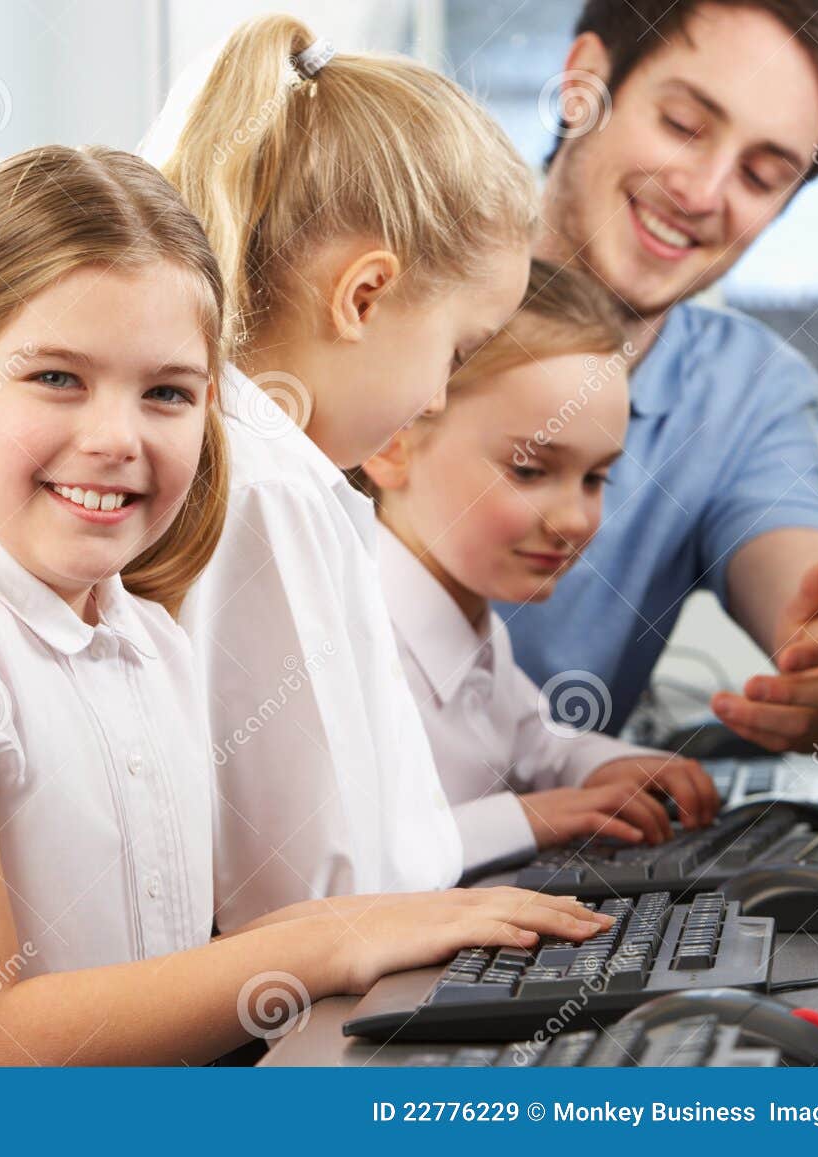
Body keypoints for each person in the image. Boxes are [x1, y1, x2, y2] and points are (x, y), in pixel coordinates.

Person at [0, 145, 610, 1067]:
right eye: (57, 379)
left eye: (167, 393)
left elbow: (148, 987)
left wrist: (379, 927)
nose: (117, 438)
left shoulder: (142, 635)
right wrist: (321, 940)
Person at [154, 15, 535, 928]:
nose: (442, 396)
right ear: (363, 295)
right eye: (459, 349)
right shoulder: (268, 486)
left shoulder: (262, 461)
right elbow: (307, 890)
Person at [505, 0, 818, 765]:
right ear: (585, 80)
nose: (702, 193)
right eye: (684, 127)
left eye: (762, 176)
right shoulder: (390, 300)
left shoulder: (736, 391)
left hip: (533, 870)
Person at [360, 260, 712, 872]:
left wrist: (598, 765)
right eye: (529, 470)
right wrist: (532, 817)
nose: (575, 519)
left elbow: (534, 739)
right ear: (393, 441)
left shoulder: (467, 620)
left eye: (596, 477)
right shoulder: (350, 633)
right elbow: (342, 863)